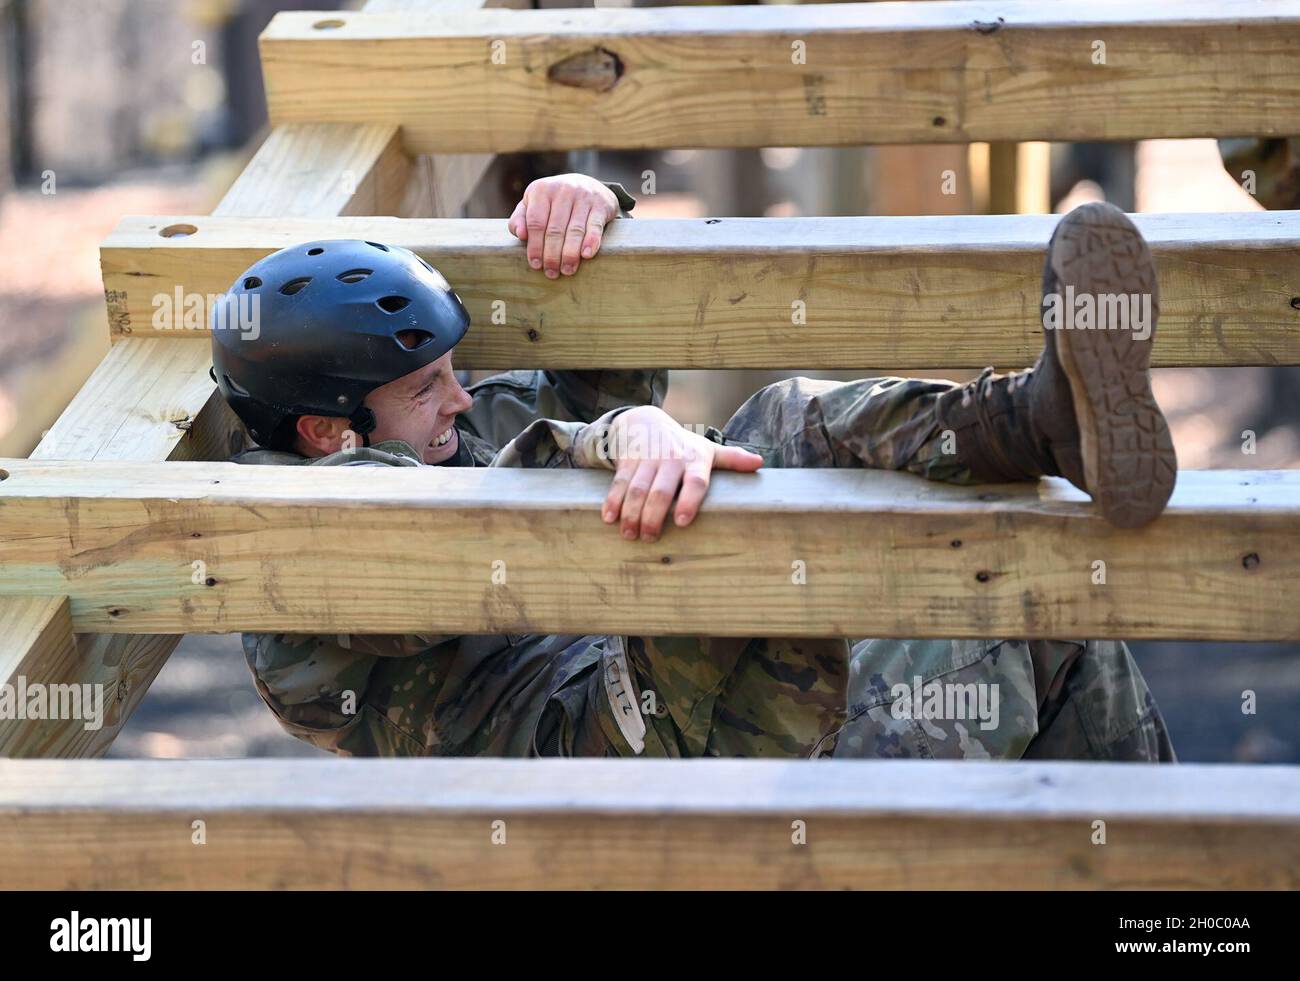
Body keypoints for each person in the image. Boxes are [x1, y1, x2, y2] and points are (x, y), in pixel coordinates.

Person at [212, 173, 1176, 762]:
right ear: (325, 433)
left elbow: (598, 378)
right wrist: (619, 436)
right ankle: (1030, 418)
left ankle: (1179, 915)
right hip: (601, 762)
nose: (460, 402)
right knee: (777, 422)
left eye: (455, 374)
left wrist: (590, 206)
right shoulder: (291, 566)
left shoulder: (443, 434)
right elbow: (441, 540)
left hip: (704, 698)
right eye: (425, 388)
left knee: (1046, 623)